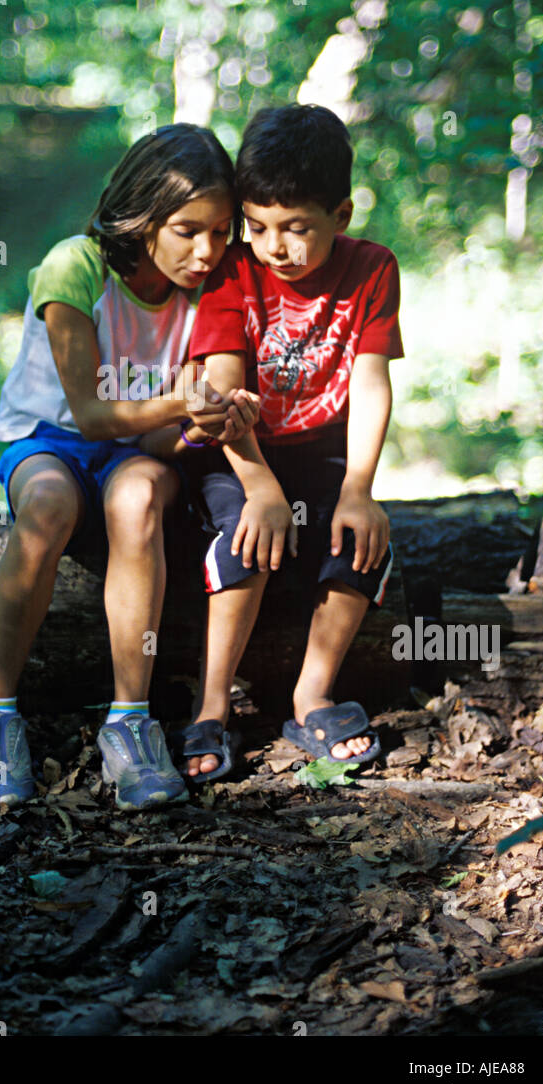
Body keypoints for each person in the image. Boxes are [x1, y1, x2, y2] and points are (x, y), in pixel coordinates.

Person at [0, 124, 259, 812]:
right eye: (187, 230)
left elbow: (157, 446)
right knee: (47, 508)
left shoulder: (203, 292)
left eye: (220, 231)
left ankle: (130, 721)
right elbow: (90, 416)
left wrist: (203, 425)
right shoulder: (75, 266)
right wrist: (179, 403)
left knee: (140, 498)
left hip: (134, 453)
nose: (207, 250)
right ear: (143, 213)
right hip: (49, 440)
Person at [174, 104, 404, 781]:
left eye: (295, 227)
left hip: (321, 450)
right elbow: (216, 402)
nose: (275, 246)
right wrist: (260, 485)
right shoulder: (231, 273)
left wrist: (359, 491)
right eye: (258, 226)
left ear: (342, 213)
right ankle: (209, 704)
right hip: (236, 451)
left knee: (360, 542)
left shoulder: (371, 270)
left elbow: (369, 382)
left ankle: (312, 695)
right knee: (246, 537)